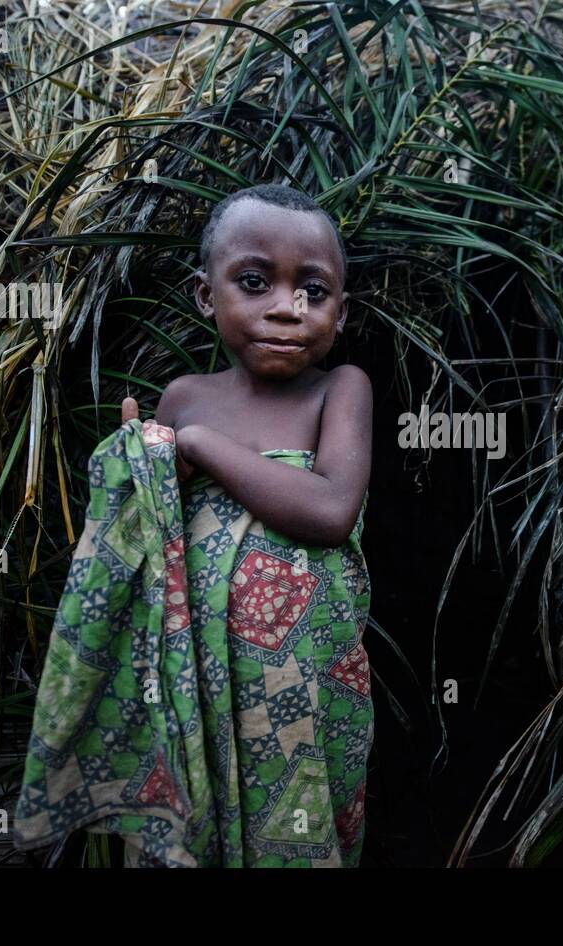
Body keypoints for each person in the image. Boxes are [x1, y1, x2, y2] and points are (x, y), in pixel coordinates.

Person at [124, 184, 375, 865]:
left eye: (313, 291)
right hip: (199, 682)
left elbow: (330, 510)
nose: (286, 309)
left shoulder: (340, 389)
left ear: (340, 311)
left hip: (310, 686)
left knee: (303, 821)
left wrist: (199, 445)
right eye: (256, 281)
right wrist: (134, 468)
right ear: (207, 295)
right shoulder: (183, 396)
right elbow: (152, 542)